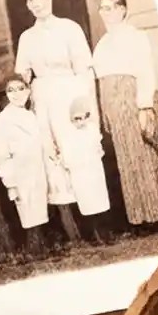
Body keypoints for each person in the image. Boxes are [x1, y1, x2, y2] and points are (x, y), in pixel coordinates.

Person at [14, 0, 93, 241]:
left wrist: (82, 102)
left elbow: (83, 69)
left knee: (78, 153)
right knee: (51, 155)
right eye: (30, 0)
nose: (35, 3)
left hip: (69, 94)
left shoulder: (69, 28)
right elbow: (23, 73)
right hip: (42, 96)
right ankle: (71, 231)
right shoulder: (27, 37)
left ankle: (94, 224)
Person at [92, 0, 158, 225]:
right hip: (111, 99)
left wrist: (144, 107)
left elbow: (145, 71)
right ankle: (138, 218)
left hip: (130, 96)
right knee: (126, 161)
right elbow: (102, 79)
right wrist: (105, 110)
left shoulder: (135, 36)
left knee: (142, 156)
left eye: (111, 7)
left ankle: (156, 215)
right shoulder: (102, 43)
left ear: (123, 9)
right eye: (103, 8)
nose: (106, 13)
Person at [0, 74, 49, 253]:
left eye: (20, 89)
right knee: (26, 209)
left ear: (28, 91)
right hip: (19, 172)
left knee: (39, 207)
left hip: (38, 168)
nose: (16, 94)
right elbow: (1, 156)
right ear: (5, 94)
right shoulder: (0, 121)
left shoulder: (32, 116)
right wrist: (10, 182)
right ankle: (34, 248)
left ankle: (42, 244)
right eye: (11, 90)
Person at [60, 95, 110, 243]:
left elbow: (98, 148)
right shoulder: (68, 136)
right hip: (80, 172)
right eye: (77, 119)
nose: (81, 122)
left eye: (84, 117)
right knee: (86, 203)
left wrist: (96, 154)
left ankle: (104, 233)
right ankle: (91, 236)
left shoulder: (93, 130)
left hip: (94, 170)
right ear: (71, 119)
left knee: (100, 201)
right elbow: (67, 157)